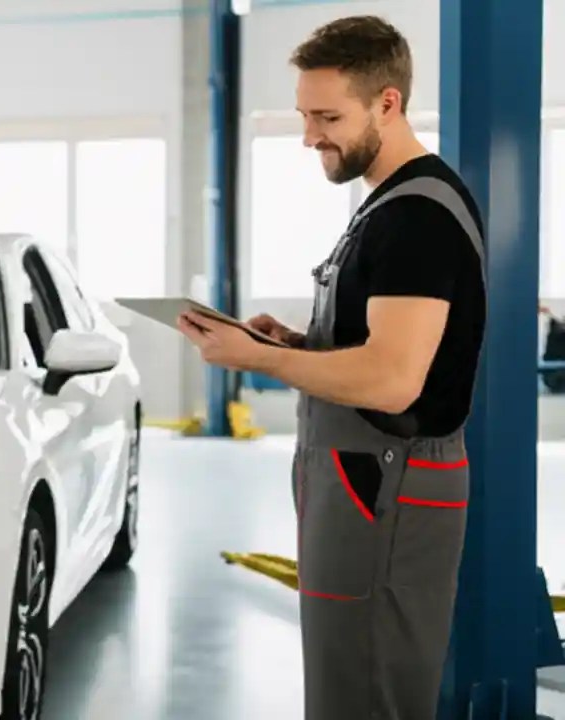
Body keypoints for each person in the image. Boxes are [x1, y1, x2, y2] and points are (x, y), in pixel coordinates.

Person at [176, 15, 487, 720]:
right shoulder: (384, 207)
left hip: (390, 485)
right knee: (347, 676)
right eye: (303, 115)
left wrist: (257, 360)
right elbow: (374, 348)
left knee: (371, 688)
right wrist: (292, 345)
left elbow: (392, 380)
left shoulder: (418, 217)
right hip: (365, 482)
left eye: (326, 116)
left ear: (388, 103)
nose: (310, 135)